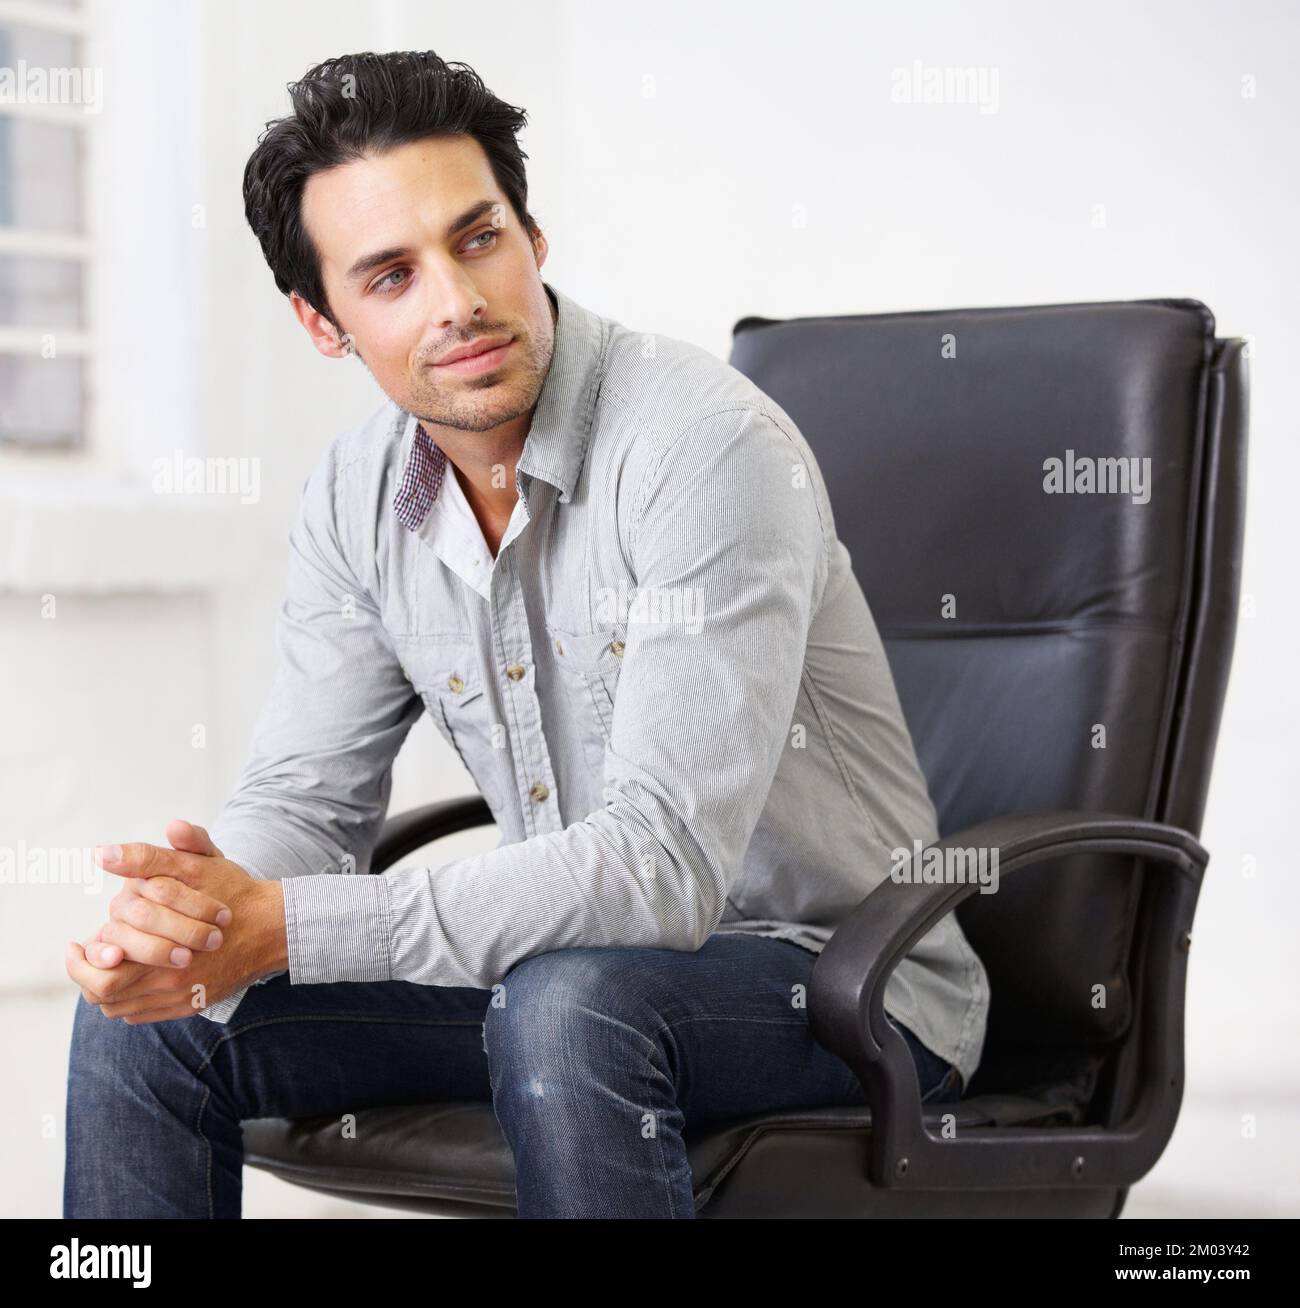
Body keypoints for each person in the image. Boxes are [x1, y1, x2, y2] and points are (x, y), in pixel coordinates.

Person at [64, 50, 988, 1219]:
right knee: (156, 1029)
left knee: (571, 1002)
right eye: (390, 275)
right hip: (558, 980)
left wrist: (287, 926)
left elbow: (657, 874)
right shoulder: (357, 498)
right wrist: (196, 922)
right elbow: (306, 799)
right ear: (323, 323)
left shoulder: (700, 448)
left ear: (532, 236)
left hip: (845, 990)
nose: (456, 301)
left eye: (477, 238)